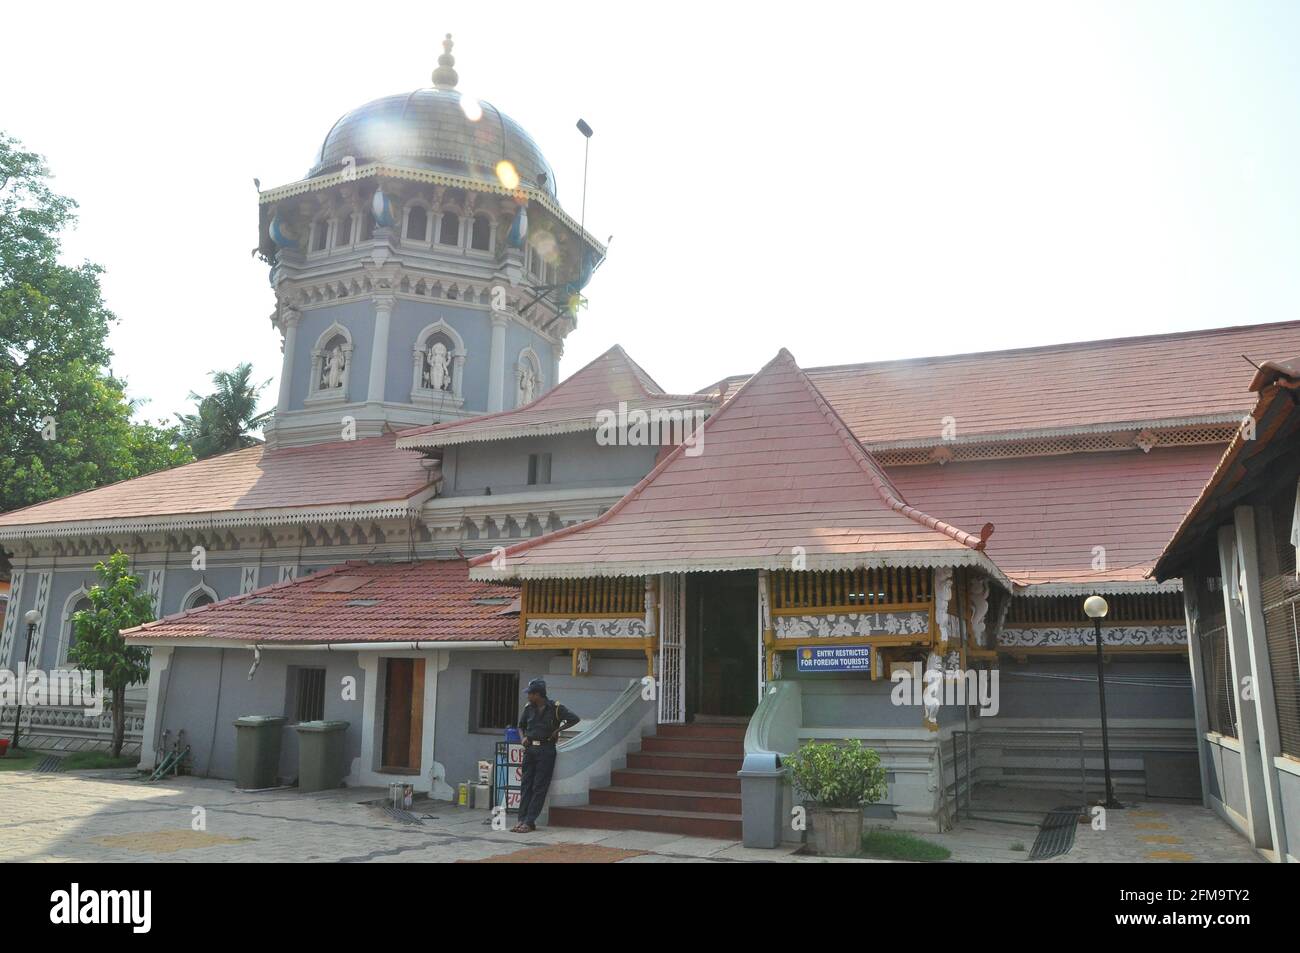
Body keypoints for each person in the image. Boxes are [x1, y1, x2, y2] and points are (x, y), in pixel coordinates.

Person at [513, 678, 580, 833]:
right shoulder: (528, 708)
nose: (528, 696)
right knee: (526, 785)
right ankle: (521, 819)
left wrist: (557, 730)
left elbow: (574, 719)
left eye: (530, 693)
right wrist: (522, 737)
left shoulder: (555, 708)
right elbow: (520, 726)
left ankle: (529, 821)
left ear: (538, 694)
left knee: (539, 787)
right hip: (530, 749)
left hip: (546, 749)